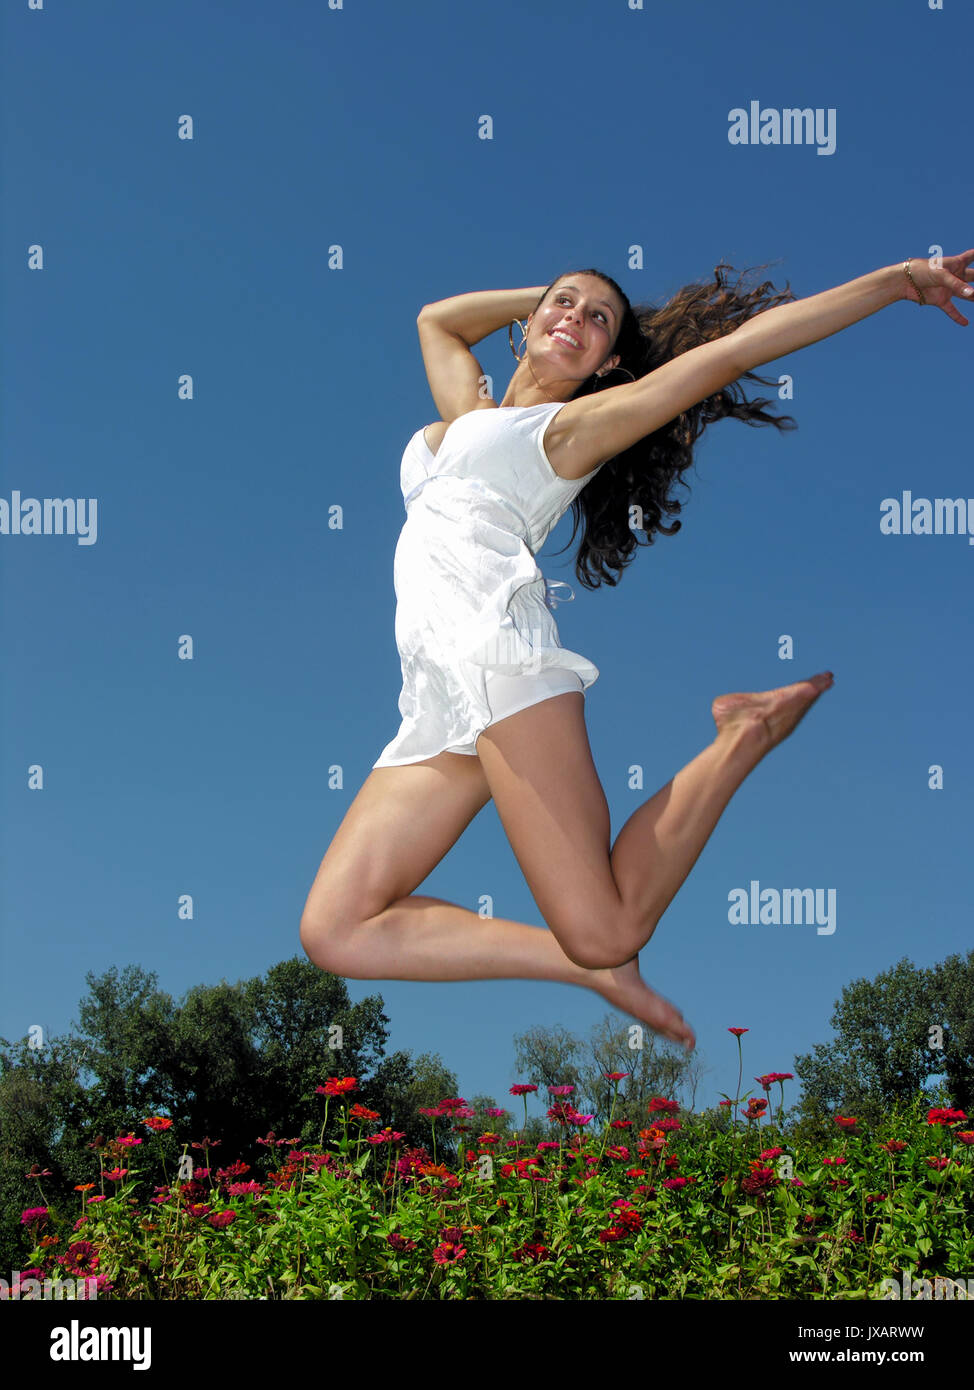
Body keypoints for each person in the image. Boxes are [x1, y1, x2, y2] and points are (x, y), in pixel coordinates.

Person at [300, 253, 974, 1050]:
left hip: (501, 665)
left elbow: (732, 353)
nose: (574, 321)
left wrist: (894, 284)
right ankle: (577, 965)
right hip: (438, 693)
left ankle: (741, 734)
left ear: (610, 364)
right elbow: (436, 320)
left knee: (610, 929)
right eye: (565, 306)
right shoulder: (464, 418)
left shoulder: (563, 431)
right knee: (337, 930)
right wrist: (546, 298)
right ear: (524, 329)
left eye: (597, 322)